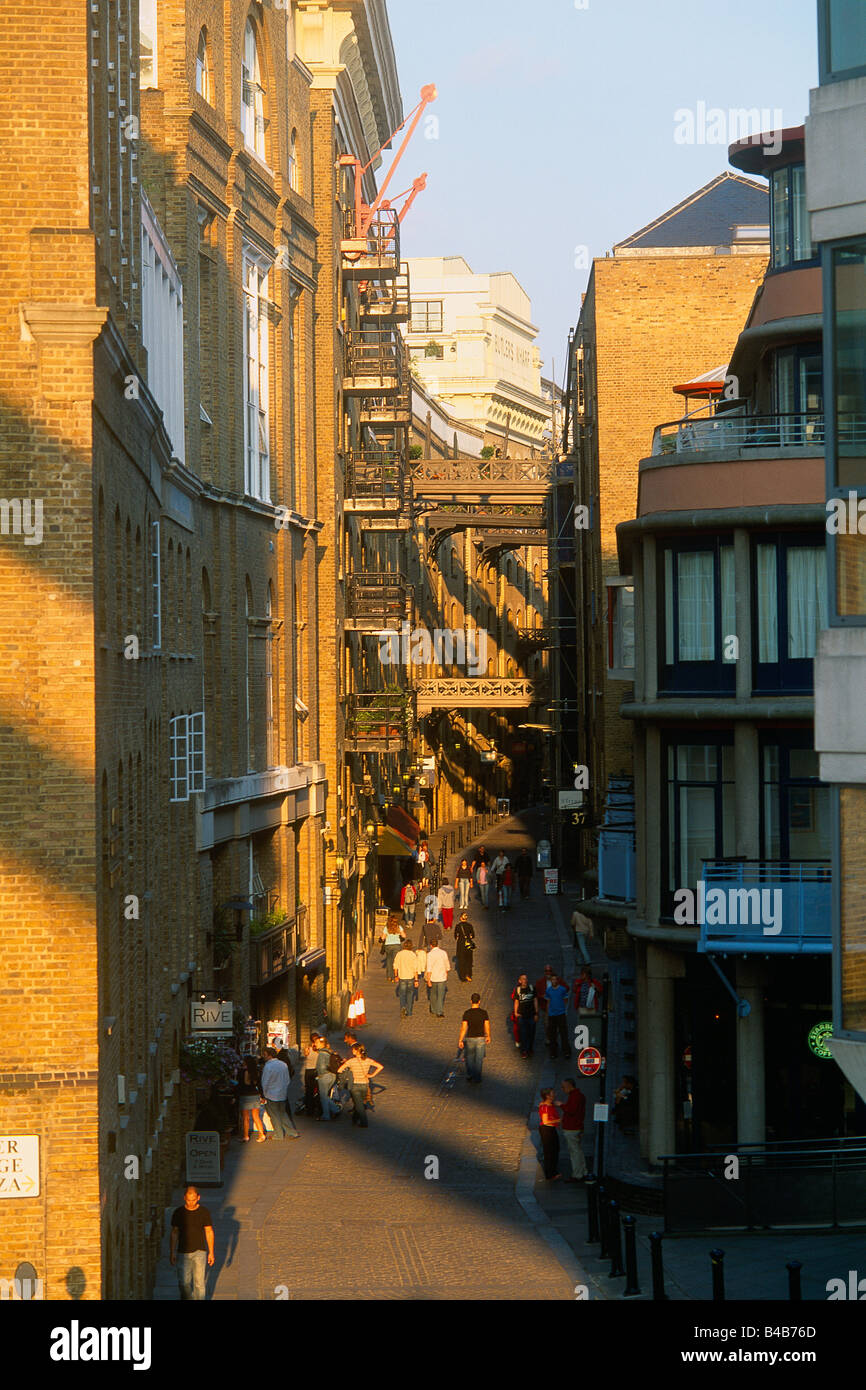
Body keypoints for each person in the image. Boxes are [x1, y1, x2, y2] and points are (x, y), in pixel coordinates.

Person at [170, 1186, 215, 1300]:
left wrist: (211, 1252)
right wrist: (172, 1252)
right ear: (184, 1198)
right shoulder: (179, 1212)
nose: (191, 1202)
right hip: (183, 1252)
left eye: (194, 1199)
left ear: (198, 1198)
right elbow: (174, 1233)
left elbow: (209, 1231)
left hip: (200, 1251)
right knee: (184, 1283)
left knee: (199, 1283)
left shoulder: (204, 1212)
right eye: (189, 1200)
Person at [337, 1044, 384, 1128]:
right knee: (359, 1103)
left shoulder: (351, 1061)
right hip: (365, 1084)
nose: (352, 1051)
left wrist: (347, 1074)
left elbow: (339, 1070)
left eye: (353, 1050)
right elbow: (380, 1067)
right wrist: (371, 1075)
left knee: (359, 1105)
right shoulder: (368, 1060)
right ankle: (354, 1118)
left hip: (355, 1085)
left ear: (356, 1051)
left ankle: (364, 1122)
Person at [260, 1046, 300, 1138]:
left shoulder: (268, 1066)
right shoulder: (283, 1064)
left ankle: (278, 1134)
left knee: (274, 1115)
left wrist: (264, 1094)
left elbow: (265, 1082)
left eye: (265, 1055)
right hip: (282, 1093)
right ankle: (292, 1132)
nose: (264, 1057)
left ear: (269, 1055)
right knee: (283, 1114)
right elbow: (287, 1079)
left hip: (271, 1094)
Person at [458, 992, 491, 1083]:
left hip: (470, 1038)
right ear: (479, 1001)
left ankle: (470, 1074)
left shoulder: (467, 1013)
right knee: (479, 1059)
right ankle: (477, 1077)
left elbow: (464, 1027)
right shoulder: (484, 1013)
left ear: (471, 1001)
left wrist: (460, 1040)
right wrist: (488, 1035)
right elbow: (487, 1025)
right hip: (480, 1038)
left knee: (469, 1058)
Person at [560, 1078, 587, 1181]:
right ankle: (583, 1171)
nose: (562, 1089)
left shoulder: (575, 1096)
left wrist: (561, 1105)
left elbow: (571, 1110)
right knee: (578, 1151)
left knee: (574, 1152)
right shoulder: (579, 1095)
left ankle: (577, 1174)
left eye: (563, 1087)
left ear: (569, 1086)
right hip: (577, 1126)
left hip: (572, 1127)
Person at [236, 1054, 266, 1142]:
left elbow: (240, 1085)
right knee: (256, 1116)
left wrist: (236, 1096)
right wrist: (262, 1096)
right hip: (255, 1095)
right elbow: (259, 1085)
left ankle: (245, 1136)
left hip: (245, 1096)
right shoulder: (256, 1071)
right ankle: (261, 1134)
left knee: (246, 1118)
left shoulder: (242, 1072)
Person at [314, 1035, 342, 1121]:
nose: (315, 1044)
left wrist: (318, 1075)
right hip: (332, 1075)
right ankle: (334, 1109)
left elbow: (322, 1067)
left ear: (322, 1043)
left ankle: (328, 1114)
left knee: (323, 1096)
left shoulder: (322, 1053)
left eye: (317, 1042)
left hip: (325, 1076)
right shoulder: (329, 1052)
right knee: (324, 1096)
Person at [538, 1088, 562, 1182]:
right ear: (547, 1096)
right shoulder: (545, 1107)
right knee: (549, 1152)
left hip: (551, 1129)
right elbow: (545, 1121)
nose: (554, 1095)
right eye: (552, 1094)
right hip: (547, 1129)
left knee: (554, 1149)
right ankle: (550, 1173)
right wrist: (558, 1120)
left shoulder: (549, 1105)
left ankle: (553, 1171)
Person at [511, 974, 538, 1058]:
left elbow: (535, 1000)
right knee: (523, 1033)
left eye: (526, 978)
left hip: (531, 1015)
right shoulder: (518, 990)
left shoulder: (532, 988)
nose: (525, 980)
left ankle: (530, 1048)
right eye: (523, 979)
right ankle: (524, 1050)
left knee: (531, 1033)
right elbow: (516, 1001)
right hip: (522, 1015)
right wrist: (516, 1012)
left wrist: (536, 1013)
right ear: (519, 981)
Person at [394, 937, 420, 1017]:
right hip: (410, 977)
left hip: (402, 977)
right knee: (410, 995)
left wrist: (396, 976)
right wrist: (416, 980)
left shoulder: (399, 954)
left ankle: (403, 1007)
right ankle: (409, 1011)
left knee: (402, 995)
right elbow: (415, 968)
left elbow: (395, 966)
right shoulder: (413, 955)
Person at [425, 935, 451, 1017]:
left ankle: (433, 1009)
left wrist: (428, 980)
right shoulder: (443, 953)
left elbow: (429, 968)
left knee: (433, 994)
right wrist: (446, 973)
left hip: (433, 977)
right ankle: (439, 1011)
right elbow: (447, 965)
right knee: (441, 995)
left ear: (431, 945)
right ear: (437, 944)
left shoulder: (429, 954)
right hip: (442, 977)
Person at [546, 975, 571, 1060]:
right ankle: (553, 1052)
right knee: (552, 1035)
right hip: (552, 1015)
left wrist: (562, 1008)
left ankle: (566, 1051)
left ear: (557, 980)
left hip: (561, 1014)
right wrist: (548, 1013)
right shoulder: (548, 990)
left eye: (555, 979)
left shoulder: (562, 989)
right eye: (552, 979)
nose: (553, 981)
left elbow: (566, 1000)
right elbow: (548, 1002)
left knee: (564, 1033)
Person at [535, 963, 556, 1047]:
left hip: (556, 1007)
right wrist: (542, 996)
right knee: (547, 1024)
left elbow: (565, 988)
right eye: (546, 971)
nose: (548, 972)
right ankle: (548, 1037)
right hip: (545, 1007)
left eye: (549, 971)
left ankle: (553, 1038)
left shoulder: (557, 980)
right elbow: (536, 994)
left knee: (555, 1025)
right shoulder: (540, 982)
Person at [303, 1033, 322, 1117]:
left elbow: (305, 1055)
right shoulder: (319, 1050)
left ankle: (309, 1110)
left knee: (309, 1091)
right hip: (317, 1071)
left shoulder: (308, 1049)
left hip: (308, 1071)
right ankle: (318, 1107)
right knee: (318, 1090)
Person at [454, 910, 476, 982]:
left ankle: (463, 977)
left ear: (460, 918)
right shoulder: (470, 926)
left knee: (461, 961)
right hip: (468, 944)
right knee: (469, 961)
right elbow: (473, 935)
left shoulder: (458, 926)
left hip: (461, 945)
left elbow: (455, 936)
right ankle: (469, 975)